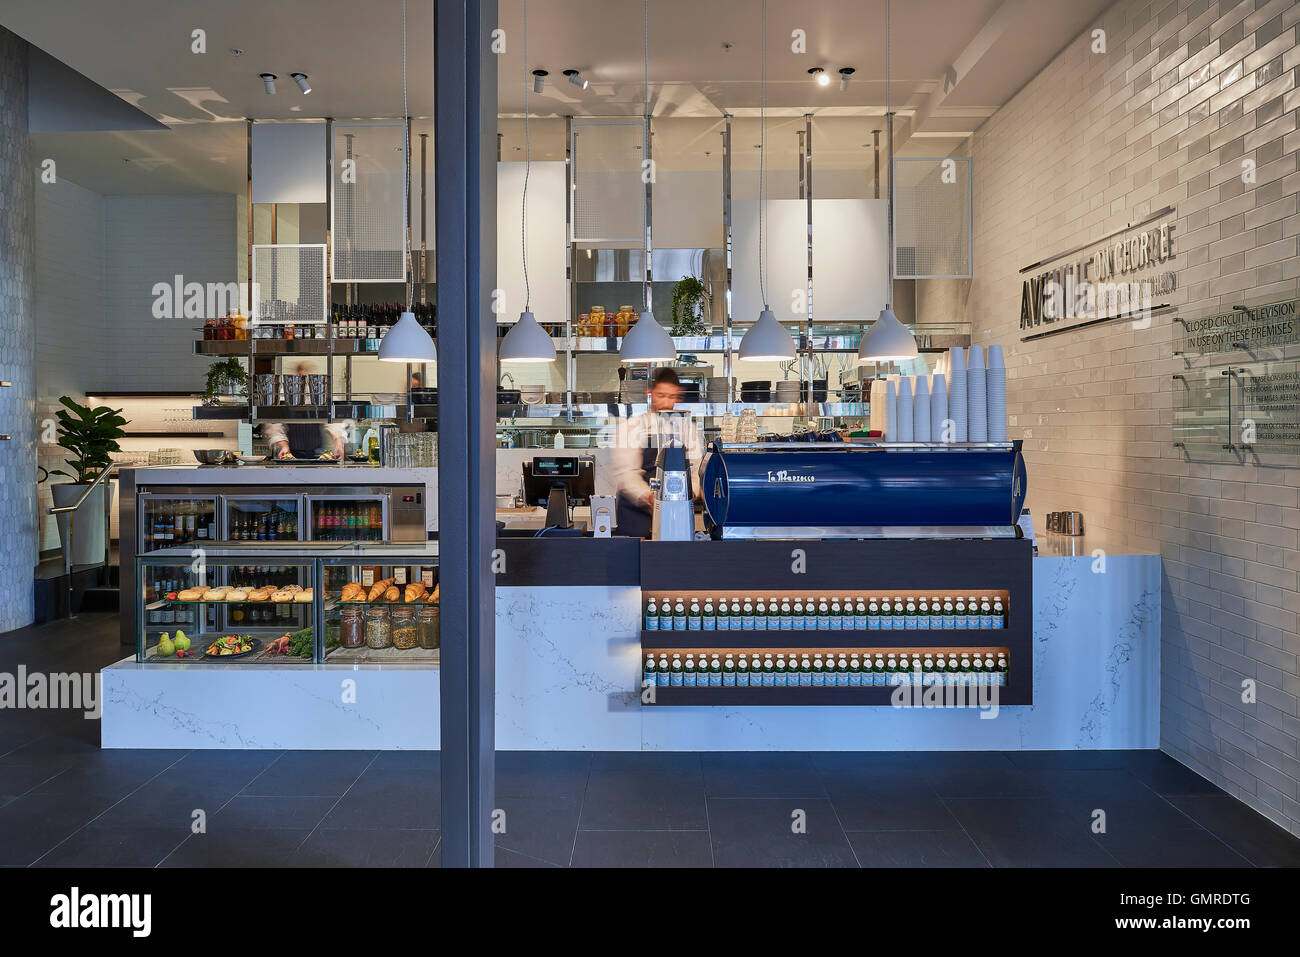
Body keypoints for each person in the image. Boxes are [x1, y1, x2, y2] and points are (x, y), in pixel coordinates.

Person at [611, 367, 704, 539]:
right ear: (650, 393)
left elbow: (694, 470)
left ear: (678, 396)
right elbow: (627, 474)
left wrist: (692, 492)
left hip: (677, 515)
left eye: (671, 396)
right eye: (661, 395)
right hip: (637, 517)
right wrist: (649, 497)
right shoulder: (632, 427)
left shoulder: (687, 429)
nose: (666, 402)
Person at [263, 362, 352, 460]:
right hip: (290, 453)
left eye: (306, 377)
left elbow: (334, 421)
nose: (303, 381)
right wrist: (283, 445)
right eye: (300, 377)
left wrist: (338, 441)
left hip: (316, 452)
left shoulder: (321, 394)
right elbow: (274, 425)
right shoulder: (284, 395)